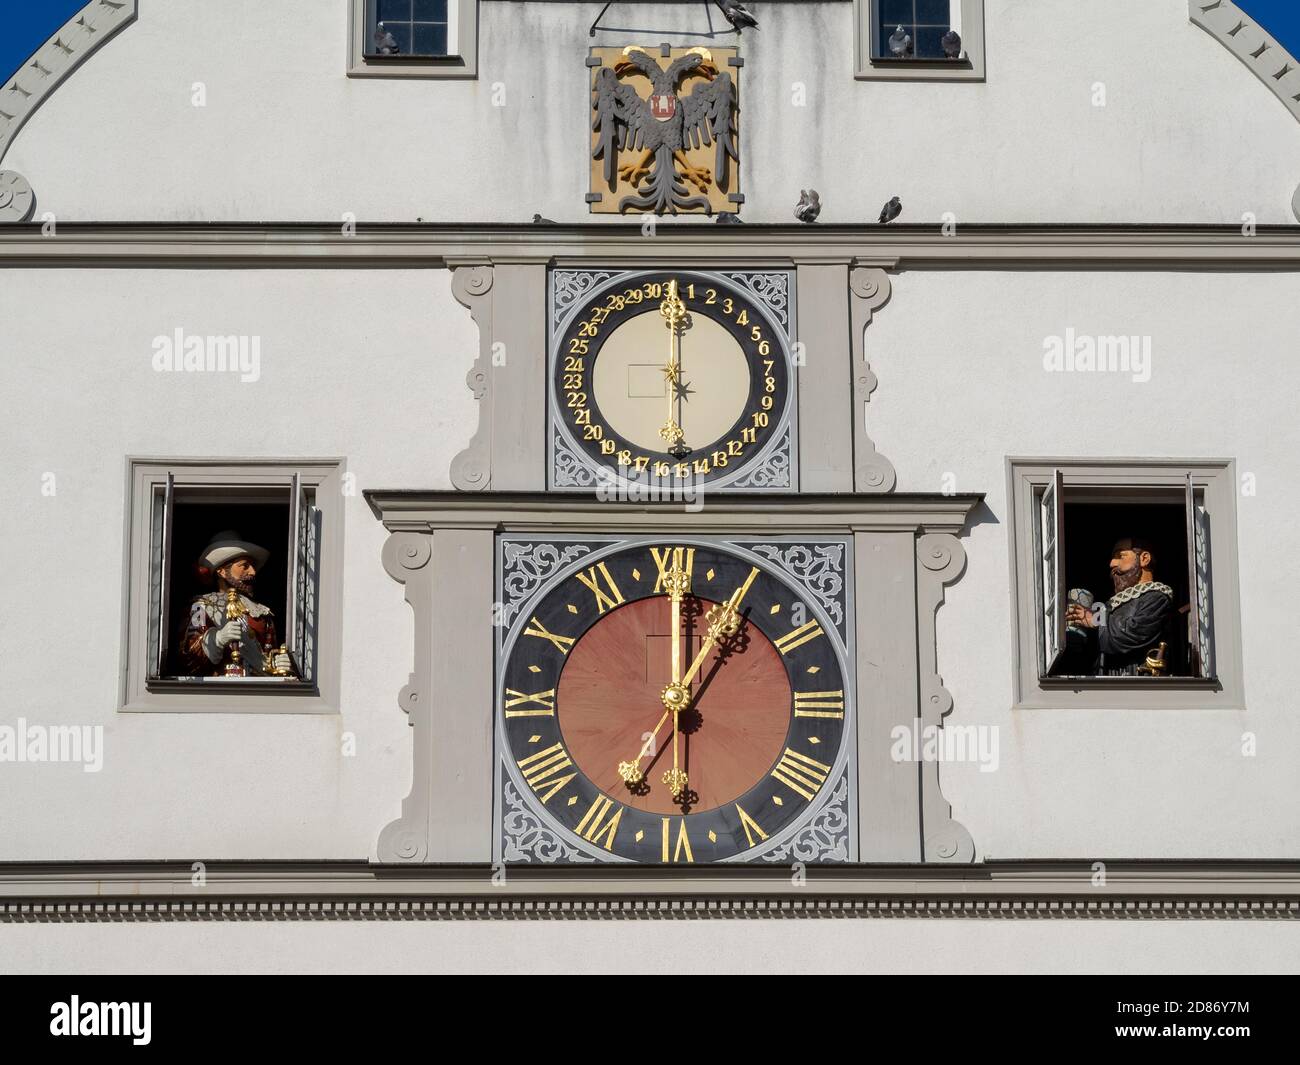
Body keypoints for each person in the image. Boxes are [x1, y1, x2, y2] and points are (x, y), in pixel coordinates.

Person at [178, 530, 295, 677]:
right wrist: (218, 639)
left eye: (252, 566)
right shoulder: (199, 607)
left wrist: (278, 663)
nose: (253, 572)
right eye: (244, 566)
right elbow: (188, 657)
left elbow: (269, 653)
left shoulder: (261, 611)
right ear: (221, 571)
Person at [1065, 537, 1176, 676]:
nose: (1112, 563)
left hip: (1141, 684)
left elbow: (1134, 632)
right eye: (1113, 558)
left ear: (1144, 559)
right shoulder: (1111, 605)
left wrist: (1097, 620)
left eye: (1120, 556)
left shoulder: (1157, 598)